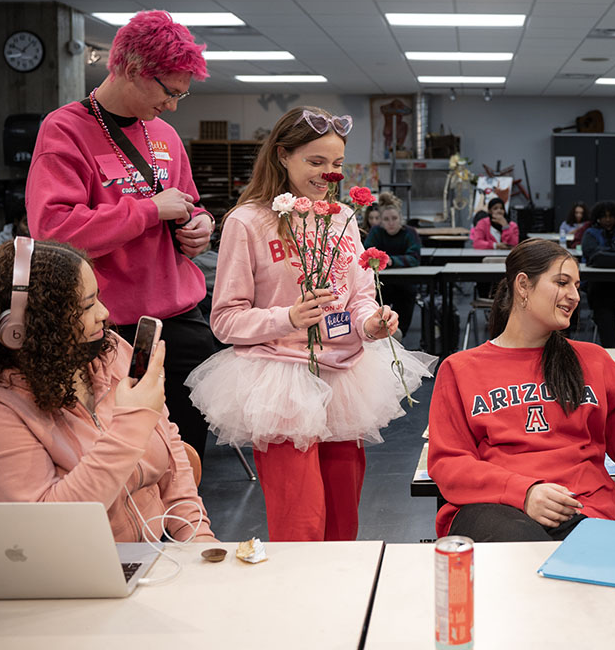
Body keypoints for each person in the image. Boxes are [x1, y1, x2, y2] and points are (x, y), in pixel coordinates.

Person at [184, 107, 433, 542]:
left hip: (344, 378)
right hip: (282, 383)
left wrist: (371, 323)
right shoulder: (248, 221)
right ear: (283, 155)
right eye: (315, 162)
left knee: (343, 519)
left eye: (336, 164)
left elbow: (357, 297)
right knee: (300, 520)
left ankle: (341, 605)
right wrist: (288, 317)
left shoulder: (342, 219)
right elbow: (225, 319)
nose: (328, 174)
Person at [0, 238, 215, 543]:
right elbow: (51, 528)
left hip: (152, 558)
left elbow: (172, 453)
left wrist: (197, 536)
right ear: (19, 328)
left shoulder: (107, 352)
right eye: (87, 305)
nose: (104, 313)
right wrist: (132, 425)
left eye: (98, 298)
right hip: (61, 577)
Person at [26, 10, 217, 461]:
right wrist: (149, 210)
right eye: (169, 92)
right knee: (122, 461)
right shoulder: (65, 129)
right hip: (109, 326)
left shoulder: (165, 134)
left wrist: (201, 226)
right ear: (132, 69)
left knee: (186, 459)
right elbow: (53, 229)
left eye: (181, 96)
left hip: (179, 320)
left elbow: (186, 202)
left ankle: (187, 531)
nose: (172, 105)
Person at [427, 239, 615, 541]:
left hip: (583, 512)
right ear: (523, 285)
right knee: (530, 550)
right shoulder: (460, 369)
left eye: (576, 286)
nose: (574, 296)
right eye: (562, 283)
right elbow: (449, 464)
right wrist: (525, 493)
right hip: (498, 509)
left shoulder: (592, 360)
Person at [580, 200, 615, 347]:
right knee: (603, 309)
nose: (607, 220)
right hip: (600, 286)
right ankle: (613, 350)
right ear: (597, 217)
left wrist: (607, 253)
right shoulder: (590, 233)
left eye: (611, 216)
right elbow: (591, 254)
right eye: (604, 216)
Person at [364, 191, 422, 337]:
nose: (391, 222)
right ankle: (377, 335)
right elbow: (367, 252)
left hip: (405, 283)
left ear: (401, 219)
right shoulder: (376, 232)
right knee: (373, 299)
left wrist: (392, 261)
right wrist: (382, 259)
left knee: (407, 295)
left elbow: (414, 258)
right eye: (386, 219)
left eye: (394, 218)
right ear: (381, 221)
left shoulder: (410, 233)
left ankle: (399, 336)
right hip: (381, 283)